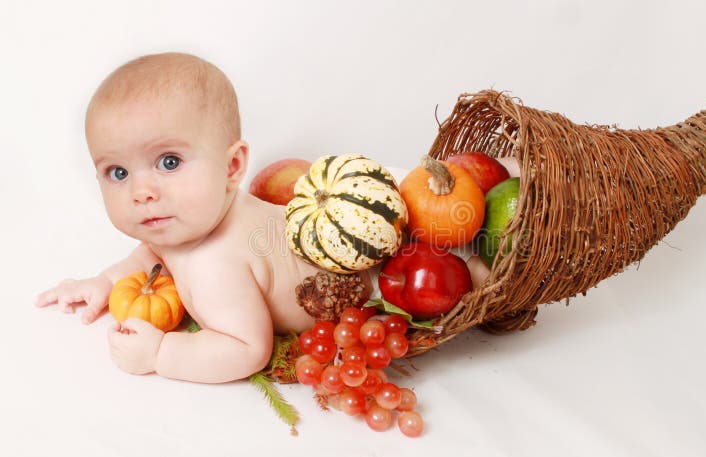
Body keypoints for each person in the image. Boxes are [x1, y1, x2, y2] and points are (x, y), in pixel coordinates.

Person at [35, 52, 506, 384]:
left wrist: (161, 354)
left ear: (233, 167)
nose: (142, 192)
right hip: (357, 230)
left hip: (389, 275)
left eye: (169, 162)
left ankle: (496, 256)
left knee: (469, 263)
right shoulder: (180, 225)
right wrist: (102, 282)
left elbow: (246, 349)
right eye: (117, 172)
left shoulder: (215, 265)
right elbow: (149, 254)